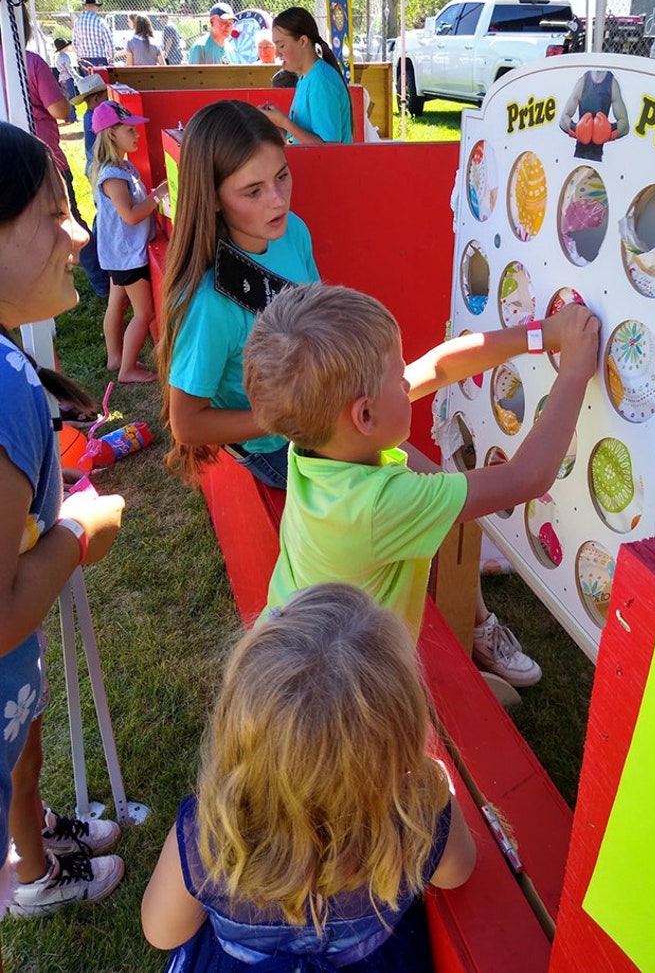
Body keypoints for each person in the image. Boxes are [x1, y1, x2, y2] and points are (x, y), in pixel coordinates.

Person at [243, 285, 599, 674]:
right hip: (338, 683)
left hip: (288, 638)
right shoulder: (380, 506)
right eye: (399, 378)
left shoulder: (315, 443)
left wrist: (545, 334)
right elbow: (528, 477)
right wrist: (575, 371)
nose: (409, 382)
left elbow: (438, 367)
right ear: (364, 417)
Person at [141, 582, 476, 971]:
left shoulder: (210, 833)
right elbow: (458, 872)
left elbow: (161, 932)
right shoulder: (416, 813)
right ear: (401, 732)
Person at [0, 121, 126, 924]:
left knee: (27, 755)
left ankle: (35, 852)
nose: (78, 234)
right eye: (52, 215)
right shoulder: (6, 390)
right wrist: (78, 531)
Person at [157, 100, 319, 490]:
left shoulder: (293, 230)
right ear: (211, 197)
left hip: (317, 402)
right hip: (273, 443)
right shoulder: (208, 302)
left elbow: (318, 313)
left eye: (282, 176)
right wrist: (287, 417)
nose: (278, 200)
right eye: (253, 191)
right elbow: (187, 424)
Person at [23, 7, 107, 300]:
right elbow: (59, 109)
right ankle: (101, 282)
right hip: (43, 158)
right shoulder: (30, 63)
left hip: (15, 158)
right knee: (69, 220)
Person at [90, 100, 167, 383]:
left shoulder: (124, 167)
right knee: (144, 311)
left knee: (117, 302)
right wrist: (158, 195)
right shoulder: (113, 175)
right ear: (111, 134)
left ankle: (115, 359)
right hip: (126, 255)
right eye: (129, 130)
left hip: (117, 254)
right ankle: (127, 369)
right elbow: (131, 215)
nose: (136, 135)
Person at [263, 7, 353, 144]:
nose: (277, 54)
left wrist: (284, 122)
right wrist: (270, 123)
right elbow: (296, 140)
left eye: (281, 46)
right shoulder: (305, 79)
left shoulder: (322, 82)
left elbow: (330, 150)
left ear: (303, 41)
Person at [71, 0, 113, 72]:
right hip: (99, 59)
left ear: (86, 6)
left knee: (88, 82)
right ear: (95, 6)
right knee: (101, 83)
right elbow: (109, 43)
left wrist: (80, 55)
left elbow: (74, 43)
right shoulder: (101, 22)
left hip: (84, 59)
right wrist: (110, 58)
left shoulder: (77, 22)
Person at [52, 37, 77, 122]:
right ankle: (72, 117)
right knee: (71, 98)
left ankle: (67, 117)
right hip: (67, 78)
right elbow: (70, 69)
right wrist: (77, 77)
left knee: (66, 97)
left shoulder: (58, 57)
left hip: (62, 79)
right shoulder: (65, 57)